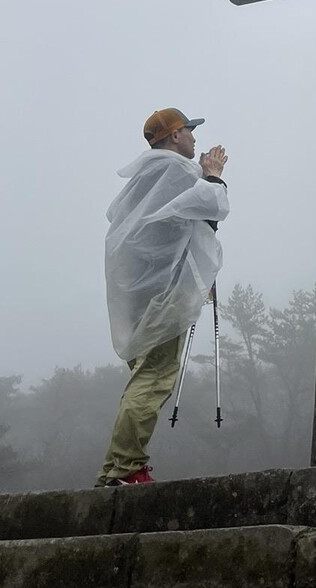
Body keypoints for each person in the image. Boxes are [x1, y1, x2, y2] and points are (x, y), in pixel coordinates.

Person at [95, 108, 229, 487]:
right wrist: (213, 175)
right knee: (154, 377)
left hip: (137, 296)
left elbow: (176, 227)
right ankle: (126, 468)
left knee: (142, 376)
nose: (194, 138)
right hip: (163, 296)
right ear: (174, 136)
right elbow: (212, 208)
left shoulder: (144, 178)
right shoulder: (176, 171)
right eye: (189, 130)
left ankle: (112, 471)